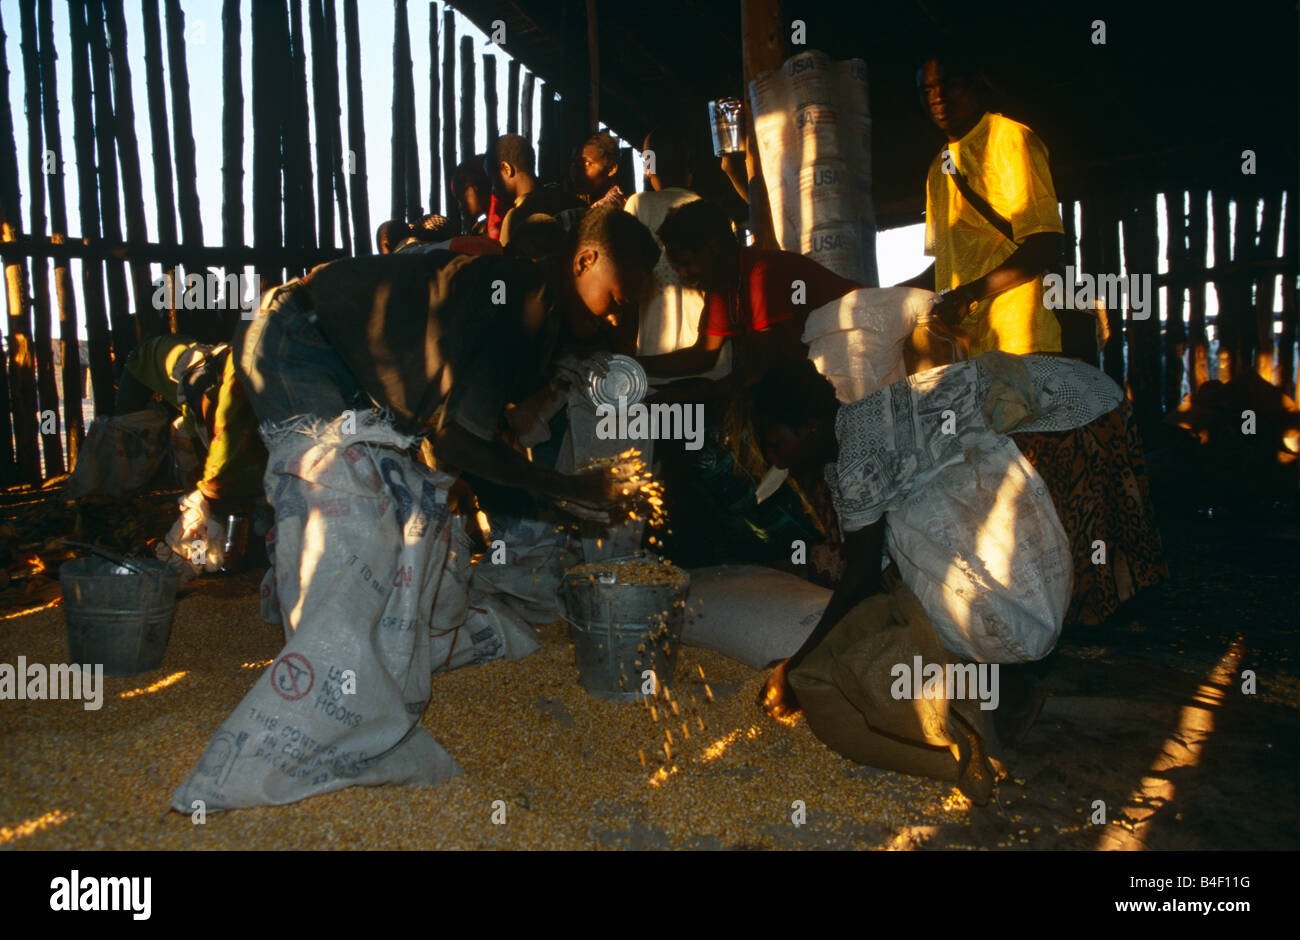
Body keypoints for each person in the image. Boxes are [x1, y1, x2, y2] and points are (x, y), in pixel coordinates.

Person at [237, 205, 659, 516]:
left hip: (340, 361)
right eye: (617, 301)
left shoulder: (541, 310)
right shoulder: (523, 303)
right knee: (334, 507)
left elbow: (465, 427)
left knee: (371, 509)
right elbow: (457, 440)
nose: (614, 318)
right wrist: (567, 487)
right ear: (586, 260)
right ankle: (321, 632)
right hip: (295, 335)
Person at [898, 49, 1066, 356]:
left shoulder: (1010, 139)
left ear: (976, 84)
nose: (937, 97)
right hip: (966, 347)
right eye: (927, 90)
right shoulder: (939, 166)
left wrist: (971, 294)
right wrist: (885, 296)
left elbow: (1045, 242)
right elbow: (947, 268)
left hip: (1022, 339)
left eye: (949, 84)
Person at [649, 199, 861, 379]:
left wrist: (688, 395)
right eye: (677, 269)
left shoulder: (760, 273)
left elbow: (761, 370)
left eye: (686, 264)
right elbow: (703, 354)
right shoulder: (723, 285)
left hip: (871, 339)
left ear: (713, 248)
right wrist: (632, 365)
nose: (683, 276)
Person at [486, 133, 583, 247]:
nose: (493, 188)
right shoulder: (571, 201)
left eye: (493, 179)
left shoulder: (517, 217)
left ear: (507, 169)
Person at [571, 131, 626, 210]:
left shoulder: (607, 209)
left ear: (611, 169)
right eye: (575, 163)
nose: (578, 170)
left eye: (587, 163)